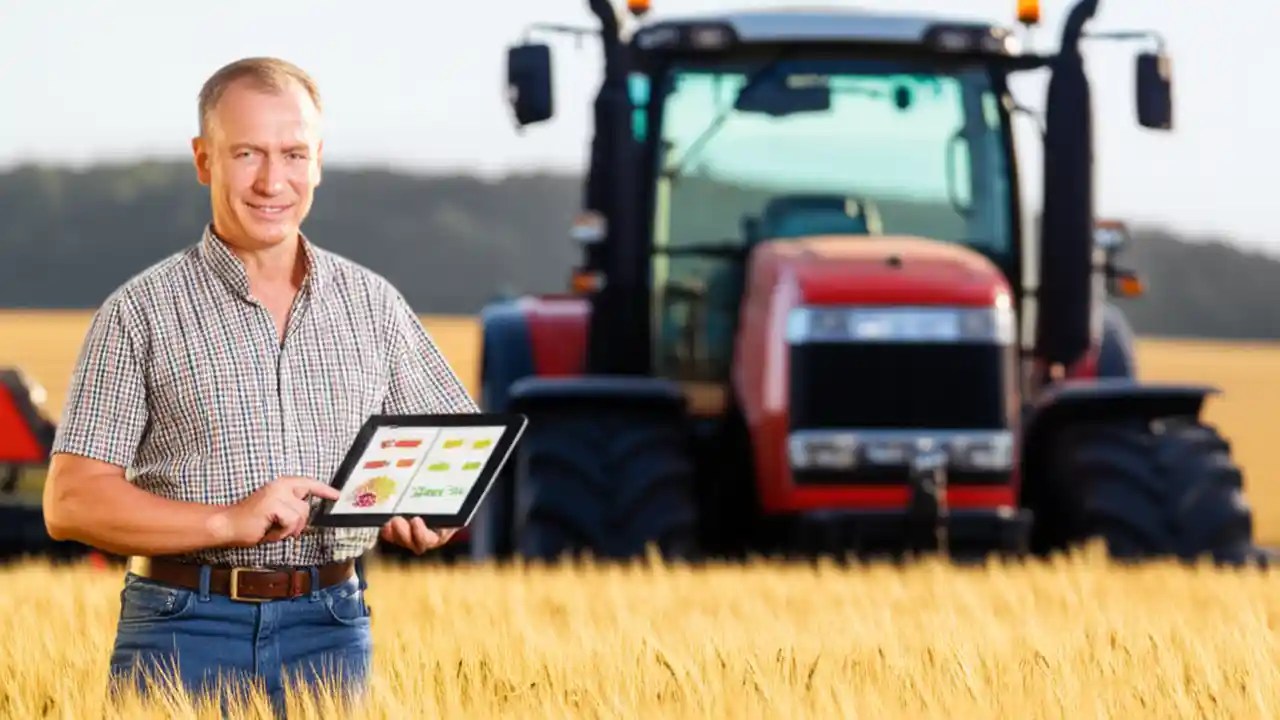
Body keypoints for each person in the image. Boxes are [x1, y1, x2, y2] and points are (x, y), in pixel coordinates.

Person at [41, 56, 478, 714]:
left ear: (319, 161)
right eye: (247, 153)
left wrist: (432, 517)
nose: (274, 180)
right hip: (183, 629)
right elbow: (71, 503)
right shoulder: (139, 312)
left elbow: (456, 454)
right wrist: (228, 520)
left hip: (332, 631)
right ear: (203, 159)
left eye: (294, 153)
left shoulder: (373, 305)